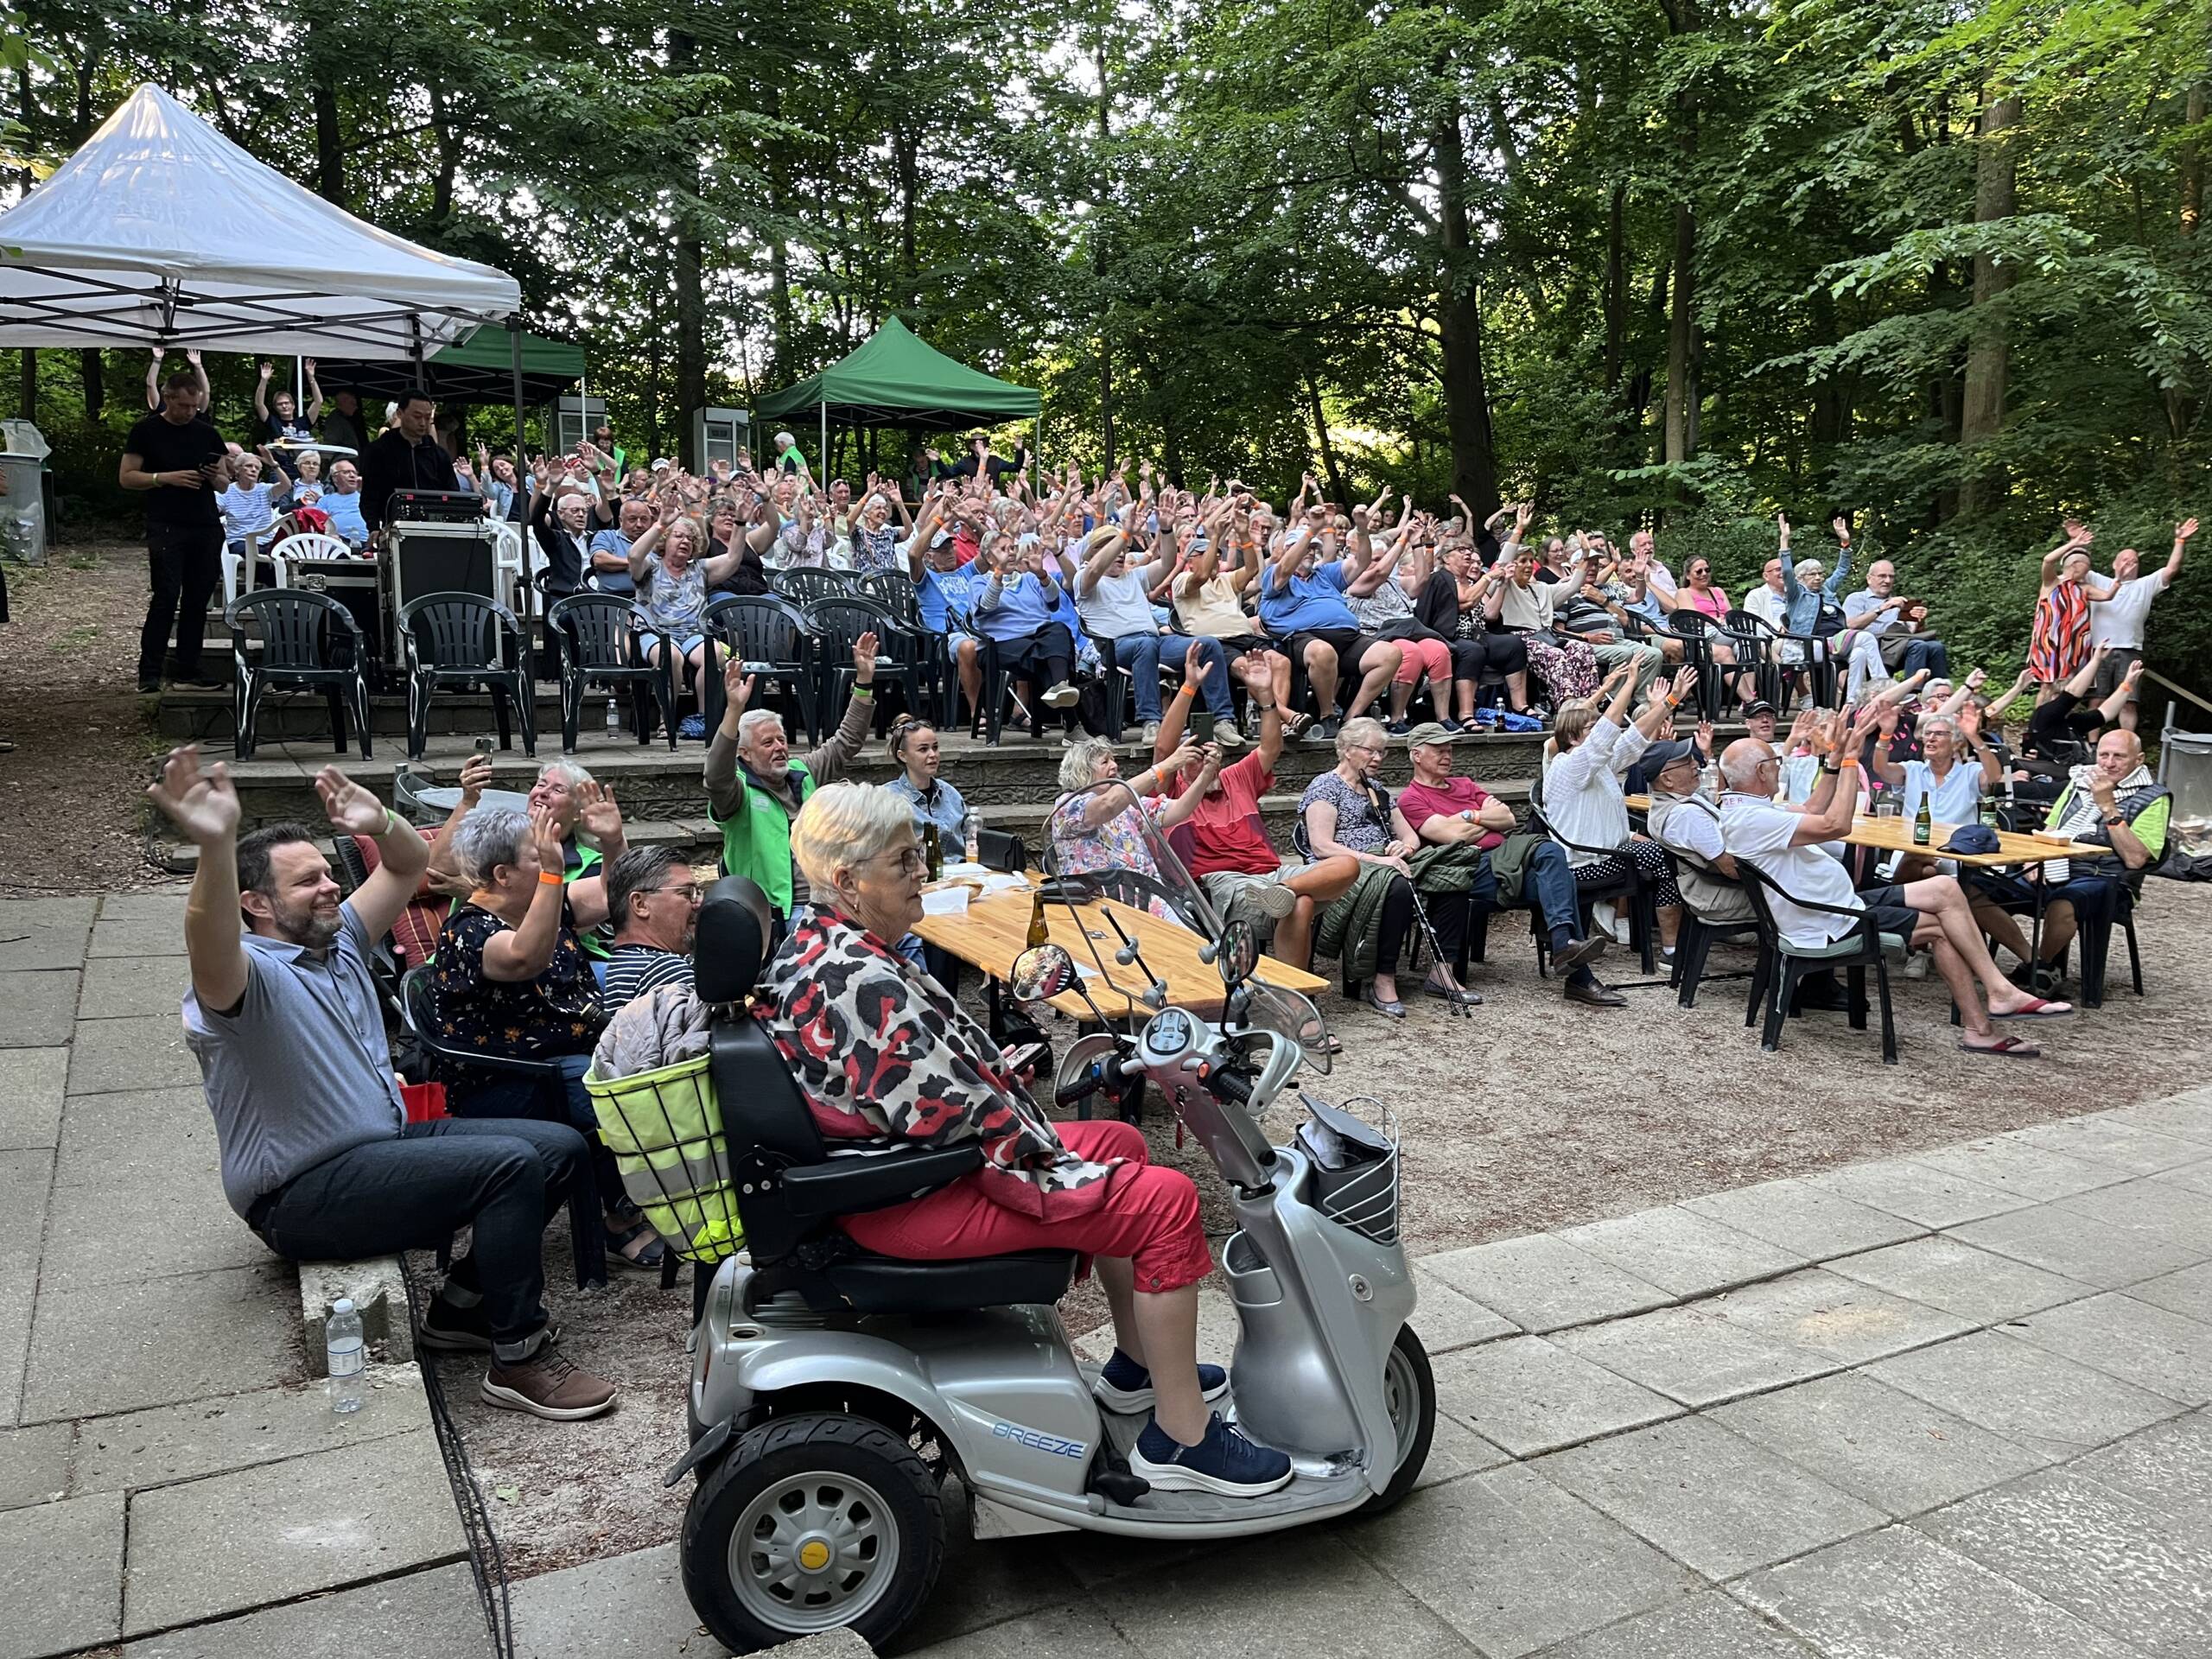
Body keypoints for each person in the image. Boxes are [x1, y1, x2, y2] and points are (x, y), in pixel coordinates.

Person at [763, 783, 1291, 1496]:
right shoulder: (860, 977)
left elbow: (930, 1088)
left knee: (1122, 1142)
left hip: (897, 1170)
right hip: (909, 1195)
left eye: (919, 852)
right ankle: (1183, 1438)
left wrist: (1002, 1082)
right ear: (848, 881)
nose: (924, 870)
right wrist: (1040, 1144)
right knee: (1166, 1200)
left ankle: (1137, 1367)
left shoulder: (822, 944)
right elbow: (956, 1116)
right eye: (903, 862)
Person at [149, 747, 616, 1421]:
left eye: (326, 873)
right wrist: (215, 845)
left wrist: (381, 821)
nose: (329, 887)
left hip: (382, 1146)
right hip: (301, 1192)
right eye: (306, 882)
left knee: (560, 1149)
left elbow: (405, 866)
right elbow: (208, 938)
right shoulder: (244, 978)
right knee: (510, 1165)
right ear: (254, 904)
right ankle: (518, 1357)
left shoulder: (337, 940)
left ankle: (461, 1309)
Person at [1719, 715, 2070, 1057]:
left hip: (1836, 903)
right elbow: (1836, 825)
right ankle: (1983, 1024)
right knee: (1942, 928)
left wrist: (1834, 761)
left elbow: (1813, 806)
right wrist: (1851, 762)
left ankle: (1998, 992)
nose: (1780, 766)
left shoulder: (1749, 808)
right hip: (1826, 920)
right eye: (1775, 762)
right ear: (1762, 772)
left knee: (1946, 889)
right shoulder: (1754, 819)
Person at [430, 804, 666, 1271]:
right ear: (502, 875)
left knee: (652, 1063)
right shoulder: (470, 932)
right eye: (538, 857)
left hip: (565, 1060)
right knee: (613, 1090)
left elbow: (610, 894)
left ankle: (649, 1200)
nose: (551, 861)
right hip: (506, 1083)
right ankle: (622, 1215)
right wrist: (554, 878)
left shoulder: (540, 905)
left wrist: (614, 843)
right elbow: (523, 958)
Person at [1152, 645, 1355, 970]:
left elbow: (1270, 748)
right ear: (1181, 761)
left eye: (1210, 753)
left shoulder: (1235, 777)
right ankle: (1295, 997)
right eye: (1195, 755)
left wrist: (1265, 697)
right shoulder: (1172, 793)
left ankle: (1282, 895)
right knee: (1300, 905)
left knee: (1347, 865)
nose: (1206, 761)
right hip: (1222, 881)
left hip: (1273, 878)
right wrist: (1189, 687)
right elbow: (1163, 748)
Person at [1398, 722, 1613, 1000]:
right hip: (1466, 869)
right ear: (1416, 755)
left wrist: (1468, 818)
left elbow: (1508, 819)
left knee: (1553, 860)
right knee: (1555, 864)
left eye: (1449, 749)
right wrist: (1484, 819)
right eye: (1439, 750)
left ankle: (1565, 948)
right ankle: (1577, 974)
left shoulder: (1464, 784)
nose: (1447, 755)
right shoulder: (1411, 798)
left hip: (1505, 863)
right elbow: (1450, 836)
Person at [1299, 717, 1481, 1015]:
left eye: (1381, 752)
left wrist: (1404, 846)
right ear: (1346, 749)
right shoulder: (1325, 786)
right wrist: (1379, 859)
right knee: (1396, 886)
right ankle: (1383, 979)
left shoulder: (1377, 789)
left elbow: (1410, 836)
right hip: (1345, 867)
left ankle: (1442, 972)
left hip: (1388, 861)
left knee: (1454, 874)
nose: (1378, 758)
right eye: (1371, 751)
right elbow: (1321, 846)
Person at [1969, 728, 2171, 994]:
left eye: (2119, 757)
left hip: (2106, 879)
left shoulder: (2154, 797)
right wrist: (2037, 860)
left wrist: (2108, 807)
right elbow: (2051, 830)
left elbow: (2136, 860)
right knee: (1970, 888)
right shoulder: (2079, 782)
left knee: (2063, 901)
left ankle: (2037, 970)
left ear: (2139, 759)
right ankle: (2037, 964)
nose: (2109, 763)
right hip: (2054, 868)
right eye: (2104, 755)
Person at [704, 635, 880, 931]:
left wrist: (863, 681)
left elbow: (846, 743)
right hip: (775, 914)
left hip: (828, 899)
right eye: (768, 742)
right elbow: (715, 777)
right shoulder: (737, 793)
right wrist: (733, 710)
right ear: (744, 753)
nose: (779, 748)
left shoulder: (802, 770)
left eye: (782, 740)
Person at [1542, 664, 1693, 956]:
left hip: (1608, 851)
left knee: (1662, 851)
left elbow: (1635, 738)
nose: (1600, 732)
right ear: (1573, 738)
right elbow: (1609, 731)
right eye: (1591, 728)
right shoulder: (1570, 766)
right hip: (1583, 864)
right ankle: (1670, 949)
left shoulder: (1599, 765)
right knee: (1660, 856)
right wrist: (1629, 684)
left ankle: (1663, 942)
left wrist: (1670, 701)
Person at [120, 369, 235, 694]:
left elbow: (226, 485)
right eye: (183, 405)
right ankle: (150, 671)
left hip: (206, 524)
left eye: (194, 407)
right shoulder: (146, 431)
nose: (189, 412)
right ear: (168, 398)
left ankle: (188, 666)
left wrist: (215, 476)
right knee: (166, 596)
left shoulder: (206, 433)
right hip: (166, 523)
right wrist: (164, 478)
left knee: (199, 599)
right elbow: (127, 477)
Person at [1077, 521, 1236, 747]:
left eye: (1124, 548)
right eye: (1114, 548)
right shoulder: (1084, 578)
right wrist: (1124, 534)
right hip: (1117, 648)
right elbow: (1094, 569)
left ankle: (1222, 720)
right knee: (1145, 644)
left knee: (1208, 644)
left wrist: (1167, 529)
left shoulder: (1134, 576)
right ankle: (1151, 721)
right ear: (1094, 553)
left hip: (1154, 641)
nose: (1122, 553)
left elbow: (1168, 563)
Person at [1256, 501, 1402, 741]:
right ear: (1289, 550)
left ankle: (1350, 718)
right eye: (1305, 548)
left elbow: (1361, 562)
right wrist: (1311, 531)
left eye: (1314, 548)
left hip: (1347, 637)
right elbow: (1284, 570)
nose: (1311, 552)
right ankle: (1327, 715)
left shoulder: (1323, 574)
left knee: (1391, 654)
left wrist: (1363, 530)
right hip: (1302, 639)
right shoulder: (1275, 575)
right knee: (1323, 652)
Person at [628, 503, 754, 738]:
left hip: (692, 633)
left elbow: (734, 558)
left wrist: (740, 524)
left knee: (714, 653)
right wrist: (661, 524)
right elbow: (634, 555)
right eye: (678, 536)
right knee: (670, 655)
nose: (685, 541)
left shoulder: (699, 569)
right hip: (654, 633)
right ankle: (667, 719)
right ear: (665, 541)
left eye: (690, 538)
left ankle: (703, 719)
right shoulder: (650, 567)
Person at [1046, 734, 1211, 909]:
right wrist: (1167, 766)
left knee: (1200, 933)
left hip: (1151, 903)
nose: (1115, 766)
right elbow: (1108, 805)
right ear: (1082, 771)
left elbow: (1177, 810)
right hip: (1102, 908)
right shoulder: (1068, 806)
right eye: (1105, 762)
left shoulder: (1126, 803)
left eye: (1114, 760)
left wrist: (1206, 774)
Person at [2089, 518, 2194, 728]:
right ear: (2115, 564)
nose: (2130, 565)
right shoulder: (2097, 580)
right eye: (2125, 560)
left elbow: (2171, 569)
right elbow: (2076, 566)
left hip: (2130, 650)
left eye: (2134, 561)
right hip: (2099, 650)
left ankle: (2128, 745)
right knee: (2096, 700)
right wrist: (2076, 542)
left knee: (2129, 702)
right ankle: (2091, 747)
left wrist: (2180, 541)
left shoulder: (2144, 584)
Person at [974, 537, 1082, 733]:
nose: (1011, 553)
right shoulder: (979, 581)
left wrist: (1041, 574)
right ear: (989, 557)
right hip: (1000, 646)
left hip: (1038, 641)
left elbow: (1053, 602)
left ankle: (1060, 686)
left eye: (1013, 548)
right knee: (1055, 658)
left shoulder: (1030, 579)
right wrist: (998, 574)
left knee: (1058, 628)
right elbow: (987, 606)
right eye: (1004, 549)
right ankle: (1073, 727)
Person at [601, 846, 702, 1005]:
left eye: (698, 893)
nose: (699, 903)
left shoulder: (626, 964)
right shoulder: (666, 972)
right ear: (640, 904)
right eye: (687, 893)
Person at [359, 391, 460, 538]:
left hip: (436, 529)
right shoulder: (378, 450)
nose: (423, 423)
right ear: (400, 413)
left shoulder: (438, 454)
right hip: (394, 529)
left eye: (427, 418)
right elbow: (370, 494)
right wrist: (373, 527)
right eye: (417, 417)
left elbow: (453, 493)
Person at [1842, 558, 1949, 682]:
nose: (1887, 581)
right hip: (1873, 647)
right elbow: (1851, 625)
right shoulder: (1856, 598)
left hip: (1898, 645)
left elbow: (1909, 634)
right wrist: (1882, 608)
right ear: (1869, 578)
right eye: (1882, 576)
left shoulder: (1900, 603)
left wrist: (1918, 620)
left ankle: (1940, 691)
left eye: (1891, 577)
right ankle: (1912, 694)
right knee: (1917, 646)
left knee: (1936, 647)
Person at [2028, 520, 2099, 687]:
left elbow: (2107, 595)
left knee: (2070, 688)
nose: (2086, 568)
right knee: (2047, 686)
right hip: (2049, 643)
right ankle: (2041, 713)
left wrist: (2078, 542)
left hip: (2073, 645)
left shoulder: (2082, 588)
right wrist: (2073, 542)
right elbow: (2047, 560)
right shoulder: (2052, 582)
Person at [252, 359, 322, 466]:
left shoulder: (304, 422)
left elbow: (318, 401)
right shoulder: (272, 421)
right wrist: (264, 380)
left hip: (302, 467)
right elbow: (259, 404)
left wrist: (311, 377)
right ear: (275, 408)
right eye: (280, 404)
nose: (284, 406)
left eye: (287, 403)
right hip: (279, 467)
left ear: (293, 405)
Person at [217, 452, 283, 558]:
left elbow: (286, 485)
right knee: (256, 554)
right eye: (249, 466)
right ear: (238, 469)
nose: (253, 470)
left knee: (285, 552)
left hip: (267, 541)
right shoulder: (227, 491)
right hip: (240, 541)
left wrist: (274, 465)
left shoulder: (265, 490)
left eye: (257, 468)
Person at [589, 496, 653, 597]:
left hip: (651, 599)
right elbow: (600, 560)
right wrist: (640, 563)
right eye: (632, 519)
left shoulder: (655, 541)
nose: (639, 525)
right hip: (613, 599)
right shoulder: (607, 536)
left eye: (644, 519)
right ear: (621, 520)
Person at [143, 346, 208, 414]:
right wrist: (198, 367)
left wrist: (157, 360)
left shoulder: (161, 407)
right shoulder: (193, 410)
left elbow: (151, 384)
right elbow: (206, 392)